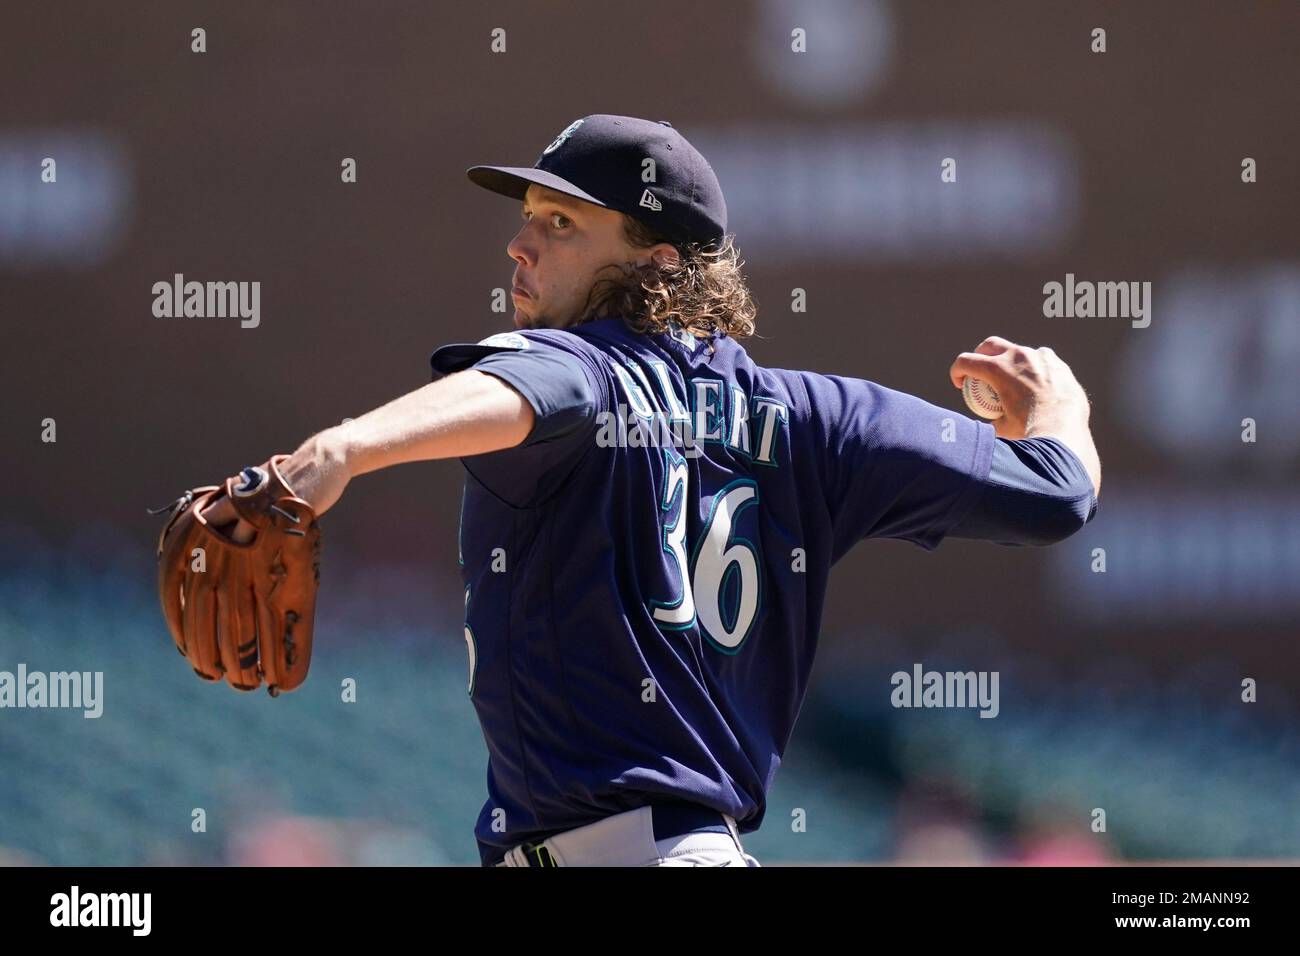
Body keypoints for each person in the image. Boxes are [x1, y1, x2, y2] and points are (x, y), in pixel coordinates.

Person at [201, 114, 1101, 867]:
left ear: (660, 263)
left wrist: (340, 449)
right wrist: (1064, 407)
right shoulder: (823, 418)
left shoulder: (578, 364)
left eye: (562, 223)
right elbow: (1056, 494)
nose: (519, 242)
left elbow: (531, 391)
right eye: (529, 213)